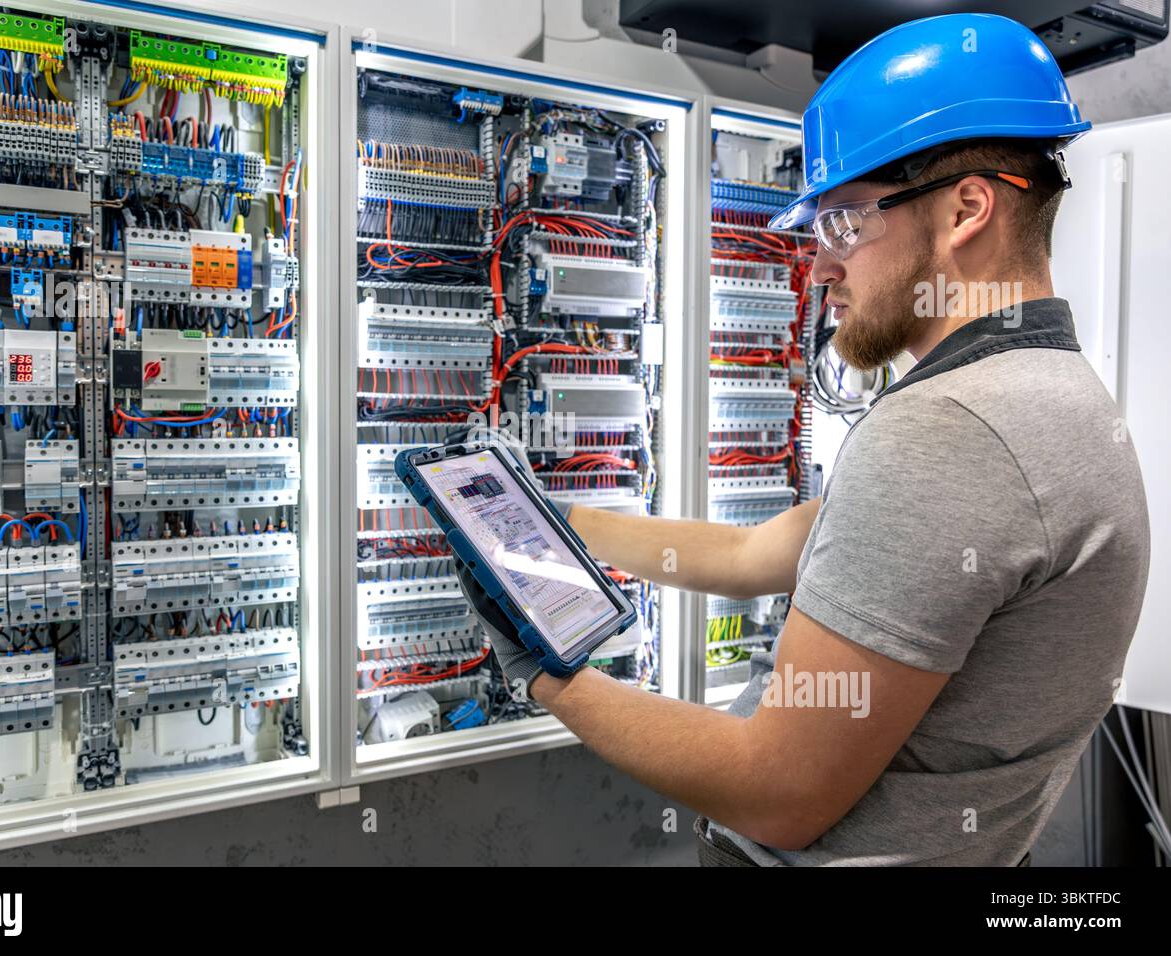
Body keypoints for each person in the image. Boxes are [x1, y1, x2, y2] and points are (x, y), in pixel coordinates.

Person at [456, 12, 1151, 866]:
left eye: (844, 224)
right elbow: (766, 550)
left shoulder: (947, 432)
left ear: (968, 207)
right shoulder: (1062, 395)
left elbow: (776, 792)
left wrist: (542, 673)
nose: (818, 267)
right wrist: (550, 527)